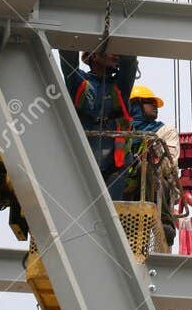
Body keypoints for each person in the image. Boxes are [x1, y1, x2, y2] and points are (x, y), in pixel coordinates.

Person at [59, 48, 138, 198]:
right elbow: (68, 54)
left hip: (114, 167)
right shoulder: (78, 82)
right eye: (110, 50)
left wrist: (124, 38)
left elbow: (129, 62)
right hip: (80, 164)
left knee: (112, 212)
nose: (116, 54)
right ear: (93, 56)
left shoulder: (121, 85)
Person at [125, 84, 181, 246]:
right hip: (130, 182)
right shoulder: (122, 129)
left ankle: (165, 222)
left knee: (148, 171)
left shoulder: (165, 131)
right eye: (150, 102)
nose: (156, 106)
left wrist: (152, 150)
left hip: (157, 182)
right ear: (135, 105)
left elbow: (169, 165)